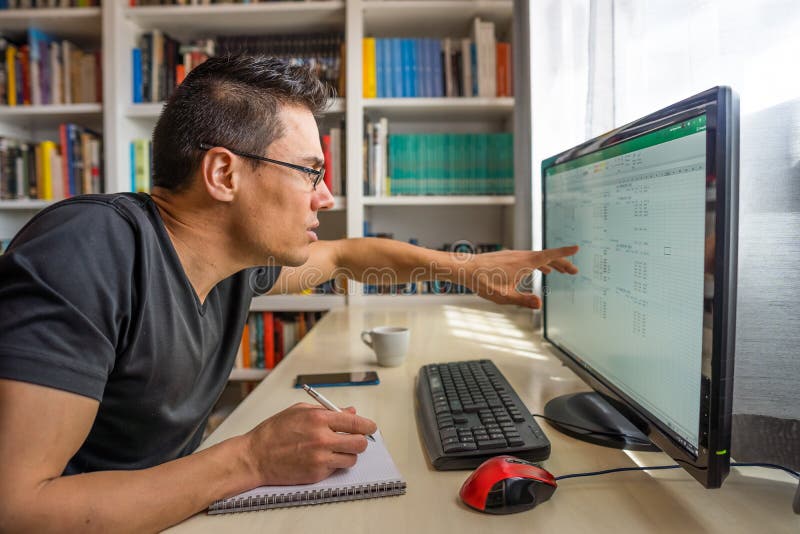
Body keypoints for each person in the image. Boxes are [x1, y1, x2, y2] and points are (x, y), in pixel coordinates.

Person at [0, 54, 578, 532]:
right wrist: (250, 458)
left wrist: (464, 268)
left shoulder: (231, 266)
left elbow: (351, 257)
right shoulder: (90, 247)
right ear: (224, 174)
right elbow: (19, 507)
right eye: (310, 171)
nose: (323, 197)